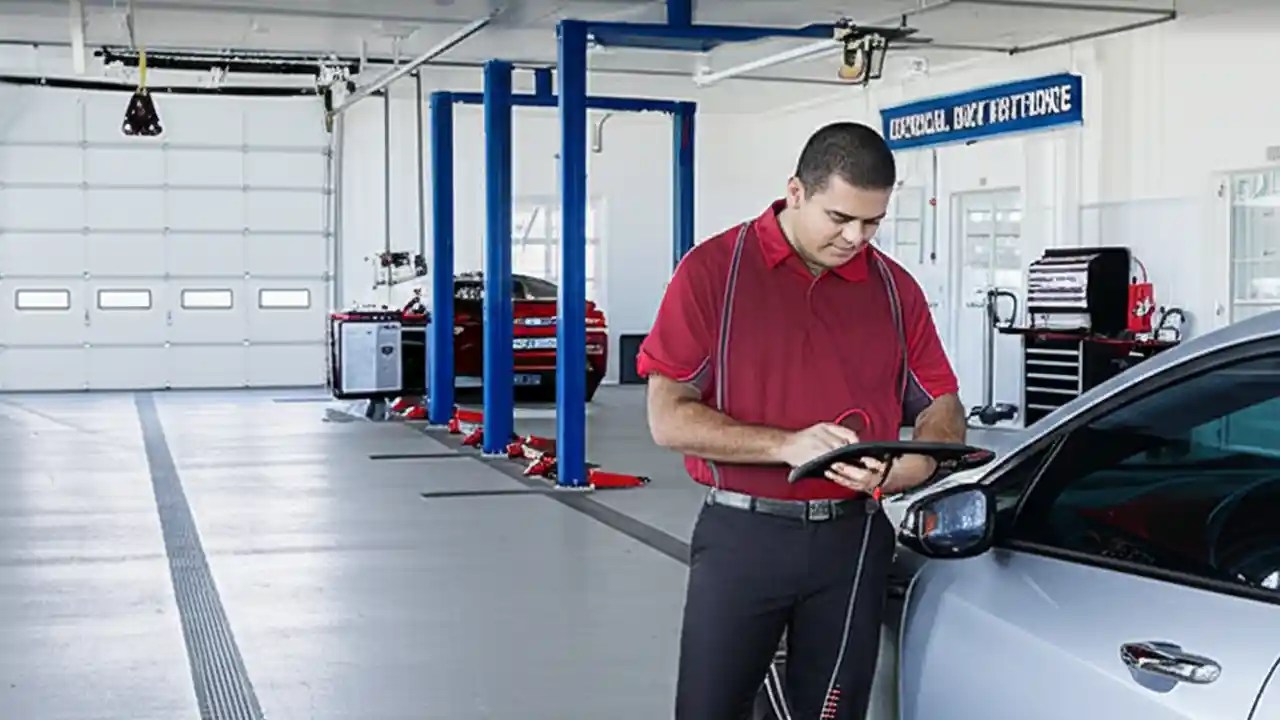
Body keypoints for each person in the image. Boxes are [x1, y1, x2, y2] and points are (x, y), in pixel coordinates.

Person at [637, 121, 965, 719]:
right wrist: (787, 446)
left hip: (854, 539)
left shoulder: (894, 290)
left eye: (872, 223)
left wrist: (912, 465)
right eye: (839, 218)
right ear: (795, 191)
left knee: (832, 712)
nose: (855, 238)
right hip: (744, 537)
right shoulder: (715, 272)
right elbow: (668, 418)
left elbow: (941, 406)